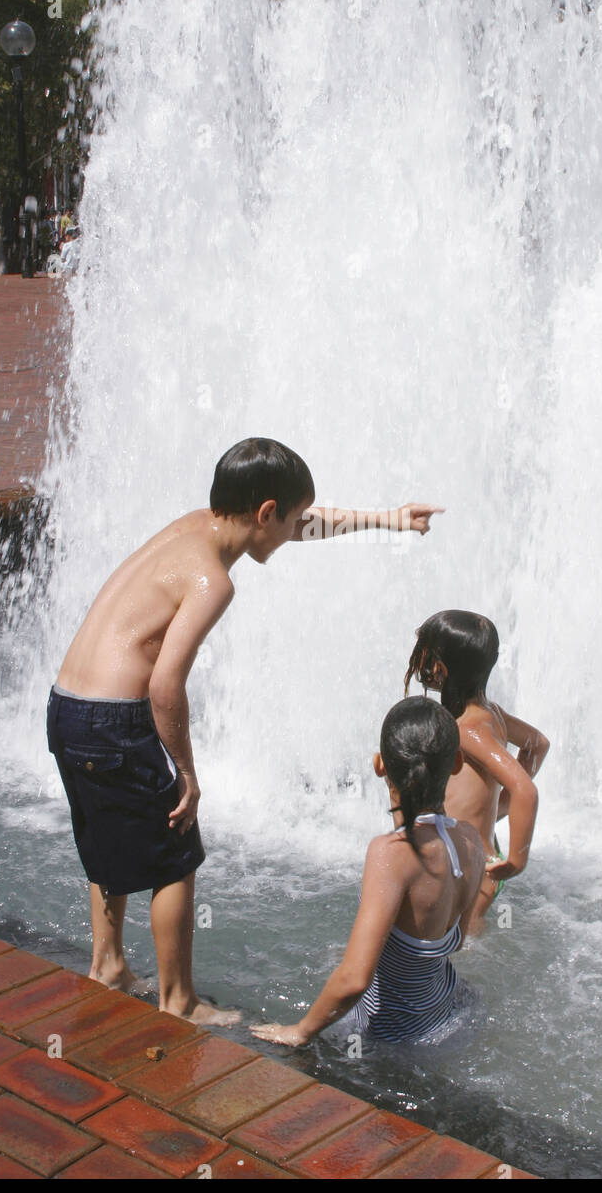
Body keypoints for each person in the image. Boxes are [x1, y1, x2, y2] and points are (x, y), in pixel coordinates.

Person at [47, 437, 443, 1027]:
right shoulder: (213, 580)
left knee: (108, 836)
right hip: (113, 719)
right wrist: (187, 773)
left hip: (67, 709)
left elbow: (305, 521)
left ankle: (107, 966)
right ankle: (178, 1001)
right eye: (290, 521)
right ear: (265, 513)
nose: (295, 533)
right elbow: (165, 687)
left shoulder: (194, 527)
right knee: (175, 853)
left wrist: (387, 519)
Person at [251, 697, 485, 1047]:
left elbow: (355, 980)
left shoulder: (390, 854)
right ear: (457, 763)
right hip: (452, 1013)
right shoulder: (471, 842)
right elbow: (454, 941)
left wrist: (298, 1031)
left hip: (392, 1037)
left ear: (379, 765)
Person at [404, 610, 549, 934]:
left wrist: (516, 860)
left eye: (422, 651)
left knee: (458, 949)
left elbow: (526, 789)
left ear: (440, 667)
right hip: (473, 859)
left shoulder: (468, 730)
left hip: (470, 872)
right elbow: (537, 744)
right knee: (453, 944)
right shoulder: (490, 713)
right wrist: (499, 807)